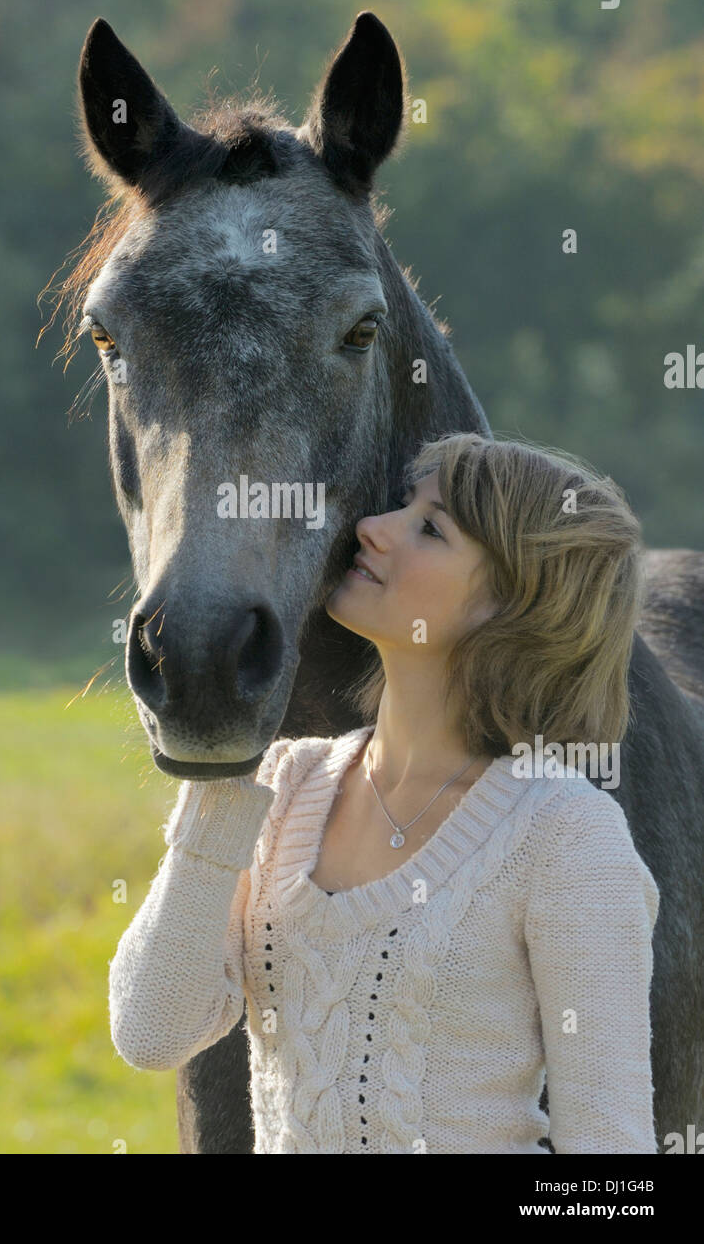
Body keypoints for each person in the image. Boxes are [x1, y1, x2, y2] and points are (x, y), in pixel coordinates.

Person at [108, 431, 660, 1153]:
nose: (371, 528)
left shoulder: (566, 837)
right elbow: (153, 1030)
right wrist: (223, 769)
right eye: (401, 506)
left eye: (429, 528)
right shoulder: (281, 786)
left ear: (515, 603)